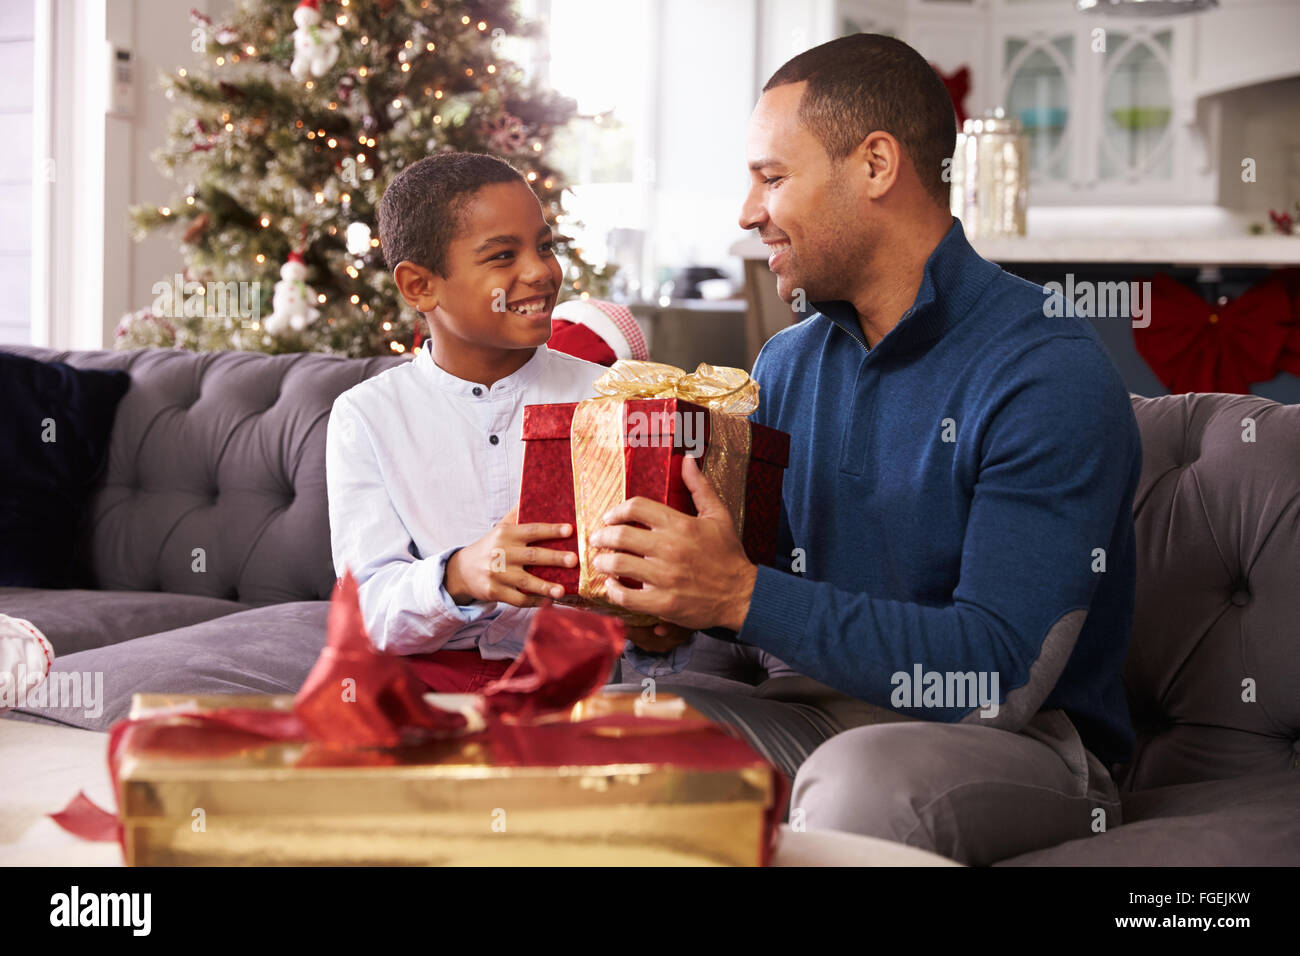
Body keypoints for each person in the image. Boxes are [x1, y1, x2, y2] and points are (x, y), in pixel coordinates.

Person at [591, 34, 1142, 865]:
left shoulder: (1045, 371)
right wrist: (659, 613)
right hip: (807, 716)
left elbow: (998, 681)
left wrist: (738, 595)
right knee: (602, 727)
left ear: (877, 166)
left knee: (858, 781)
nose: (747, 213)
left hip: (1020, 746)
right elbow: (738, 610)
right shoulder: (786, 362)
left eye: (772, 179)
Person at [325, 152, 691, 692]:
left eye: (545, 246)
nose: (541, 271)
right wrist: (461, 574)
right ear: (420, 286)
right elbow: (370, 609)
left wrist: (659, 628)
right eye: (502, 255)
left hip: (580, 684)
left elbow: (651, 597)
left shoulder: (611, 400)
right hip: (422, 691)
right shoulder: (367, 416)